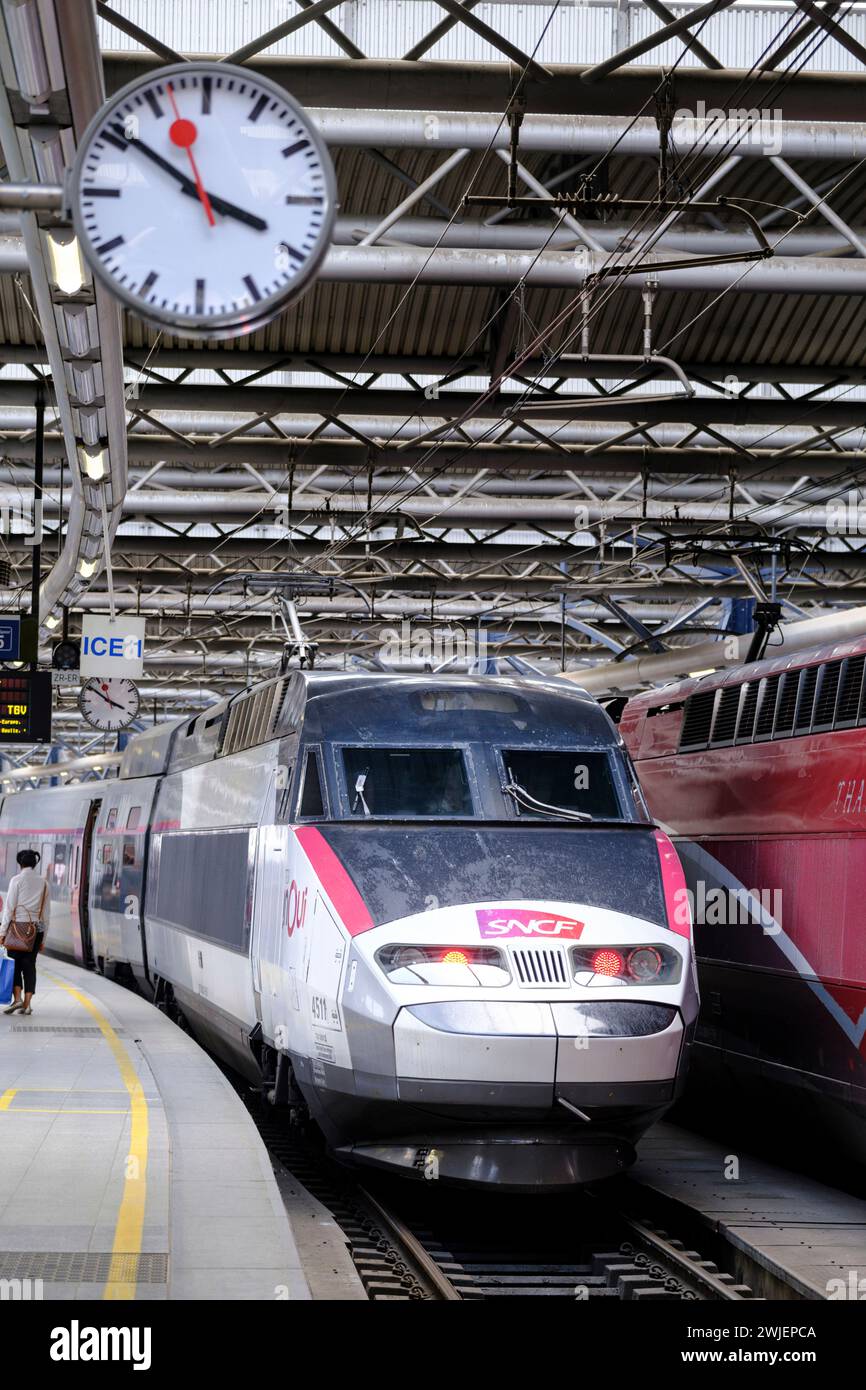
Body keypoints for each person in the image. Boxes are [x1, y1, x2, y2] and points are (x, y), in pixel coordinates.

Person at [1, 849, 50, 1016]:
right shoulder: (44, 883)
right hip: (36, 930)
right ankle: (27, 1005)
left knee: (14, 964)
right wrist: (44, 938)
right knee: (30, 965)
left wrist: (2, 932)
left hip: (17, 929)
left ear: (20, 863)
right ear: (35, 864)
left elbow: (9, 909)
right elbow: (46, 914)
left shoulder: (16, 880)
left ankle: (17, 999)